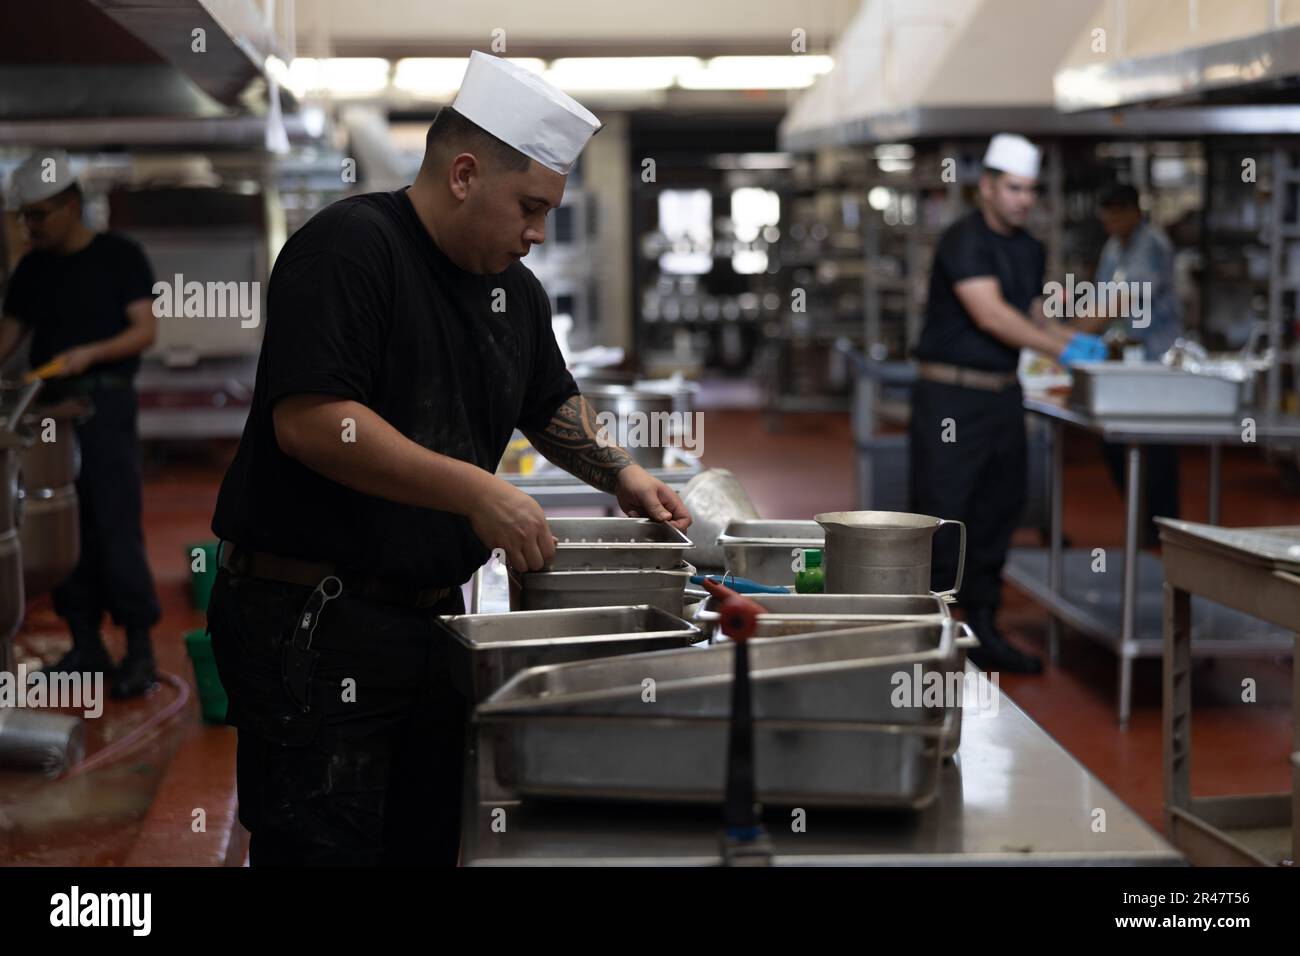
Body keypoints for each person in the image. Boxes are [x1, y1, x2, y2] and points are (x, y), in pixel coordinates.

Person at [207, 52, 692, 866]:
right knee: (322, 848)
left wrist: (624, 472)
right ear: (465, 173)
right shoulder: (351, 251)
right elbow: (313, 421)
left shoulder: (513, 290)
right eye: (529, 208)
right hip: (313, 627)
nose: (538, 235)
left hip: (432, 623)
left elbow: (547, 401)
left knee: (428, 842)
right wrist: (475, 490)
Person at [910, 133, 1105, 675]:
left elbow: (1033, 315)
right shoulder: (962, 240)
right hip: (951, 397)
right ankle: (932, 633)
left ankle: (986, 626)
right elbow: (992, 316)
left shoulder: (1030, 247)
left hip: (1001, 396)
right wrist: (1066, 349)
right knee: (945, 513)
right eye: (1014, 189)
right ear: (987, 188)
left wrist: (1077, 335)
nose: (1024, 200)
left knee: (999, 508)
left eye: (1031, 191)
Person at [0, 150, 161, 698]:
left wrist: (88, 354)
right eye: (26, 217)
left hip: (107, 409)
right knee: (62, 526)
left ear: (70, 206)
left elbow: (144, 331)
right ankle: (85, 643)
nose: (31, 227)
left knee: (115, 521)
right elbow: (10, 337)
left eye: (39, 215)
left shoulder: (120, 256)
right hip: (51, 414)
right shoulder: (33, 270)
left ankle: (139, 646)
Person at [1083, 184, 1183, 545]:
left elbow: (1122, 300)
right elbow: (1099, 297)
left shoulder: (1151, 244)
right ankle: (1143, 520)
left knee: (1156, 447)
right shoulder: (1113, 247)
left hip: (1156, 360)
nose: (1110, 220)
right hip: (1125, 360)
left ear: (1134, 212)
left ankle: (1164, 530)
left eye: (1117, 212)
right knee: (1114, 441)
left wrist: (1067, 335)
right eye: (1106, 213)